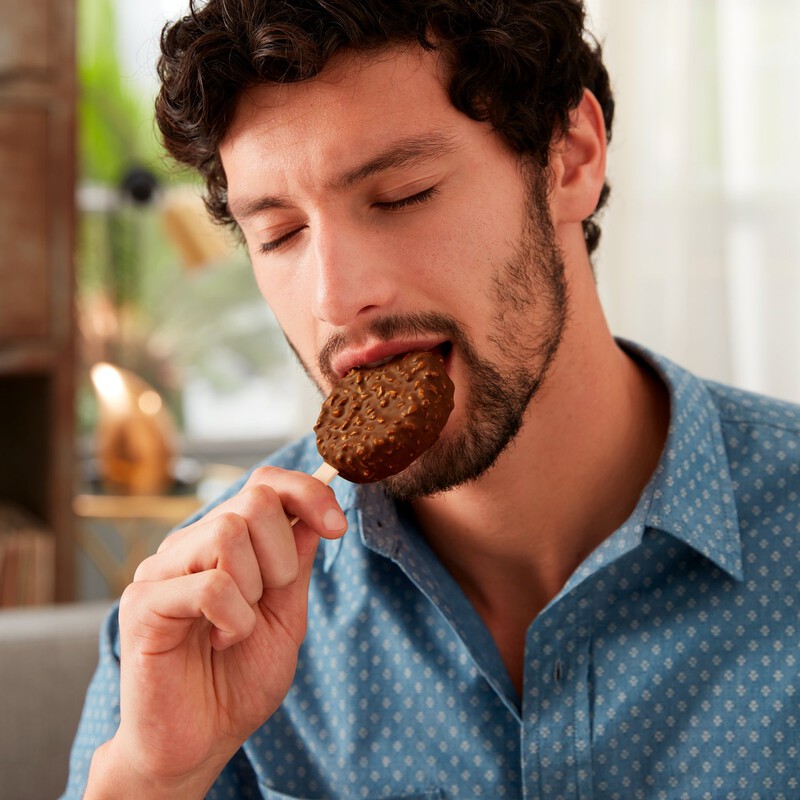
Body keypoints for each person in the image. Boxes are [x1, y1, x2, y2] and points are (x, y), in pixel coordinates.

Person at [65, 1, 800, 798]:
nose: (336, 297)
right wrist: (152, 777)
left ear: (572, 155)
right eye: (279, 235)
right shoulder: (203, 617)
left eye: (403, 194)